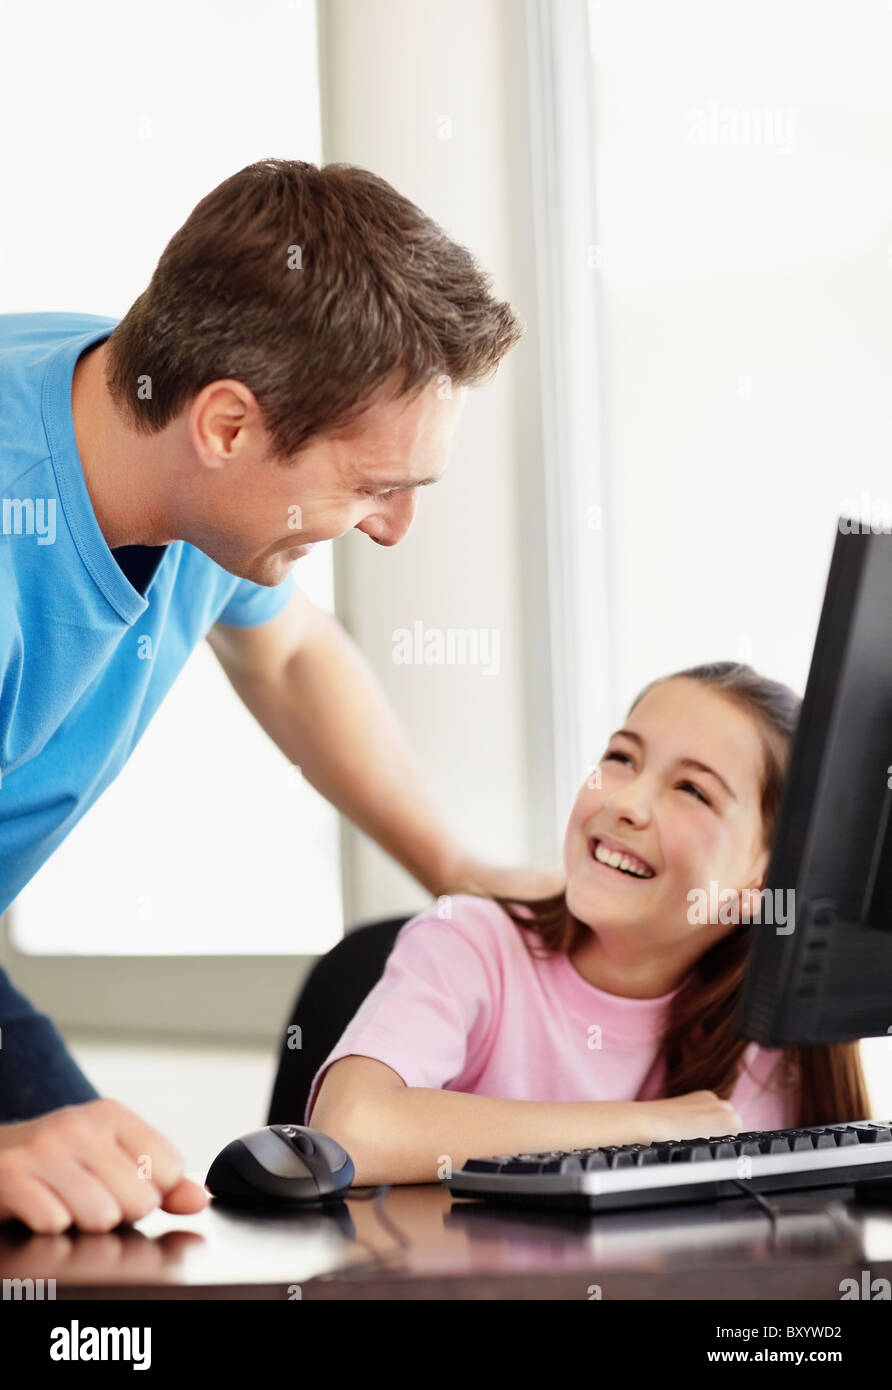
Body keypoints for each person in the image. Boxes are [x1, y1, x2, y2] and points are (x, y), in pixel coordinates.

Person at [0, 158, 561, 1234]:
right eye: (374, 486)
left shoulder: (175, 432)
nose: (394, 529)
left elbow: (292, 659)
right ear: (228, 428)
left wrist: (455, 872)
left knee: (114, 1219)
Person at [306, 662, 872, 1185]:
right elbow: (350, 1128)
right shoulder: (469, 944)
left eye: (692, 789)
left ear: (763, 884)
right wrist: (649, 1126)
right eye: (622, 758)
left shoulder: (767, 1046)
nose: (628, 800)